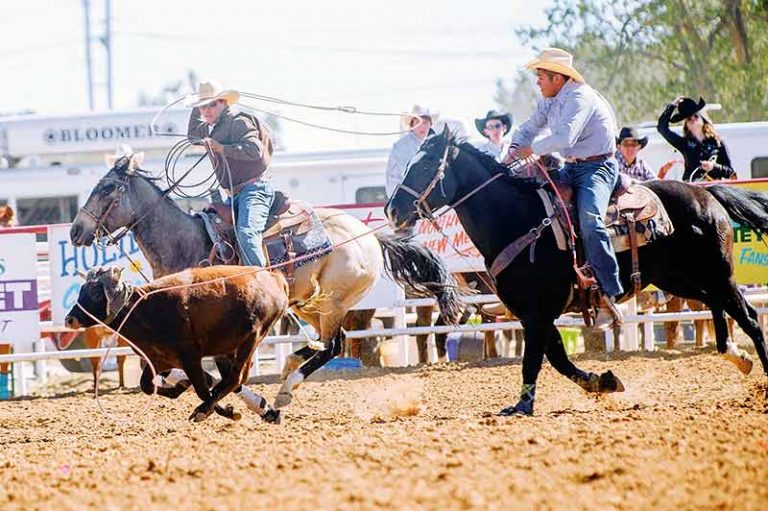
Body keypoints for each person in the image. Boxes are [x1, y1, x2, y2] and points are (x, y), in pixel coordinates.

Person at [505, 47, 622, 330]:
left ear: (557, 78)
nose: (537, 82)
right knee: (533, 208)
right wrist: (511, 151)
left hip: (598, 168)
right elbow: (530, 126)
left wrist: (530, 150)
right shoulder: (551, 99)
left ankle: (609, 292)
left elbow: (565, 136)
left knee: (591, 221)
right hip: (571, 167)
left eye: (541, 76)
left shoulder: (580, 97)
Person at [187, 81, 274, 267]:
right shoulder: (212, 128)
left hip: (254, 189)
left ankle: (263, 283)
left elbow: (254, 150)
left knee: (247, 234)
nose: (207, 110)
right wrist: (197, 106)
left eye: (212, 104)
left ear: (224, 103)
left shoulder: (238, 121)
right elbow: (192, 136)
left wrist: (222, 148)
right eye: (203, 106)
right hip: (234, 194)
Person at [657, 96, 735, 182]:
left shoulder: (717, 142)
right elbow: (662, 128)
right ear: (687, 126)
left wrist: (713, 167)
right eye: (689, 118)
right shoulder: (684, 143)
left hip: (712, 188)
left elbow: (730, 172)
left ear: (703, 120)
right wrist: (672, 105)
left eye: (696, 116)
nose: (693, 119)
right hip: (692, 188)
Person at [385, 105, 438, 197]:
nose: (422, 127)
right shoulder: (400, 146)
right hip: (408, 198)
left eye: (425, 122)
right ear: (412, 125)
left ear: (430, 124)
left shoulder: (437, 144)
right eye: (418, 122)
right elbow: (392, 177)